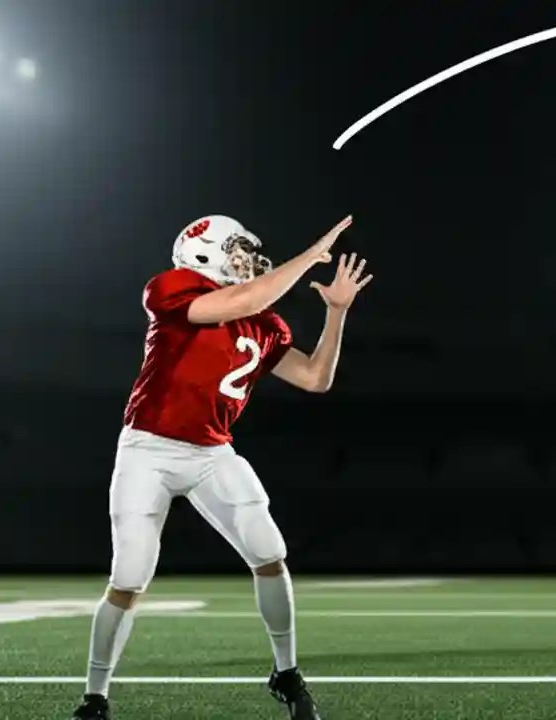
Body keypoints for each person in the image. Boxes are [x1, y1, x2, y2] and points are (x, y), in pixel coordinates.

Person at [71, 214, 370, 720]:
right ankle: (95, 697)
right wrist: (307, 256)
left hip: (212, 452)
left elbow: (316, 378)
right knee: (129, 575)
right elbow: (240, 301)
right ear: (202, 255)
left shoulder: (265, 324)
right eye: (234, 250)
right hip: (150, 449)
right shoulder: (172, 288)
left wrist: (336, 313)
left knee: (269, 551)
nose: (246, 258)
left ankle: (286, 672)